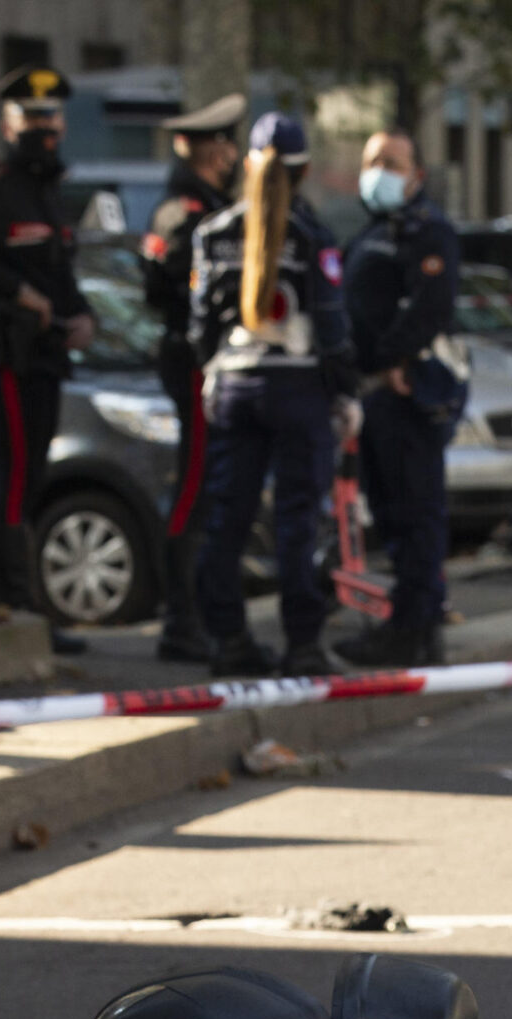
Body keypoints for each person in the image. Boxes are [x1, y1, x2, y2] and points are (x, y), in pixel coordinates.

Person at [187, 112, 358, 678]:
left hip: (234, 387)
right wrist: (346, 393)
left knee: (228, 517)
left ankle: (228, 639)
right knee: (296, 520)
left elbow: (199, 328)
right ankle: (302, 643)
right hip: (297, 388)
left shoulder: (213, 233)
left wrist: (215, 369)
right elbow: (332, 329)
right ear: (304, 170)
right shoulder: (312, 238)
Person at [0, 66, 99, 613]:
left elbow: (60, 272)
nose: (44, 128)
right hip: (9, 353)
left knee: (30, 479)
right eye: (32, 119)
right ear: (9, 126)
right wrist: (19, 293)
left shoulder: (48, 191)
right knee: (13, 479)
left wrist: (82, 316)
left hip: (48, 355)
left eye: (51, 117)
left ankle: (3, 599)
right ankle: (12, 601)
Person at [336, 129, 461, 669]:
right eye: (372, 161)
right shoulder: (369, 234)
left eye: (392, 163)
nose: (379, 172)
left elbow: (431, 307)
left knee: (416, 513)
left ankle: (415, 629)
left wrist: (392, 358)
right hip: (373, 393)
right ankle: (412, 623)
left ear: (417, 176)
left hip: (407, 391)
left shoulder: (427, 231)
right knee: (390, 513)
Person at [142, 92, 246, 663]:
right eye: (228, 145)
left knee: (204, 489)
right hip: (194, 362)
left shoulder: (193, 205)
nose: (233, 157)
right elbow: (170, 287)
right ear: (213, 150)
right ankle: (182, 620)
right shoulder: (190, 212)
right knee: (193, 489)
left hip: (197, 360)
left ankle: (193, 614)